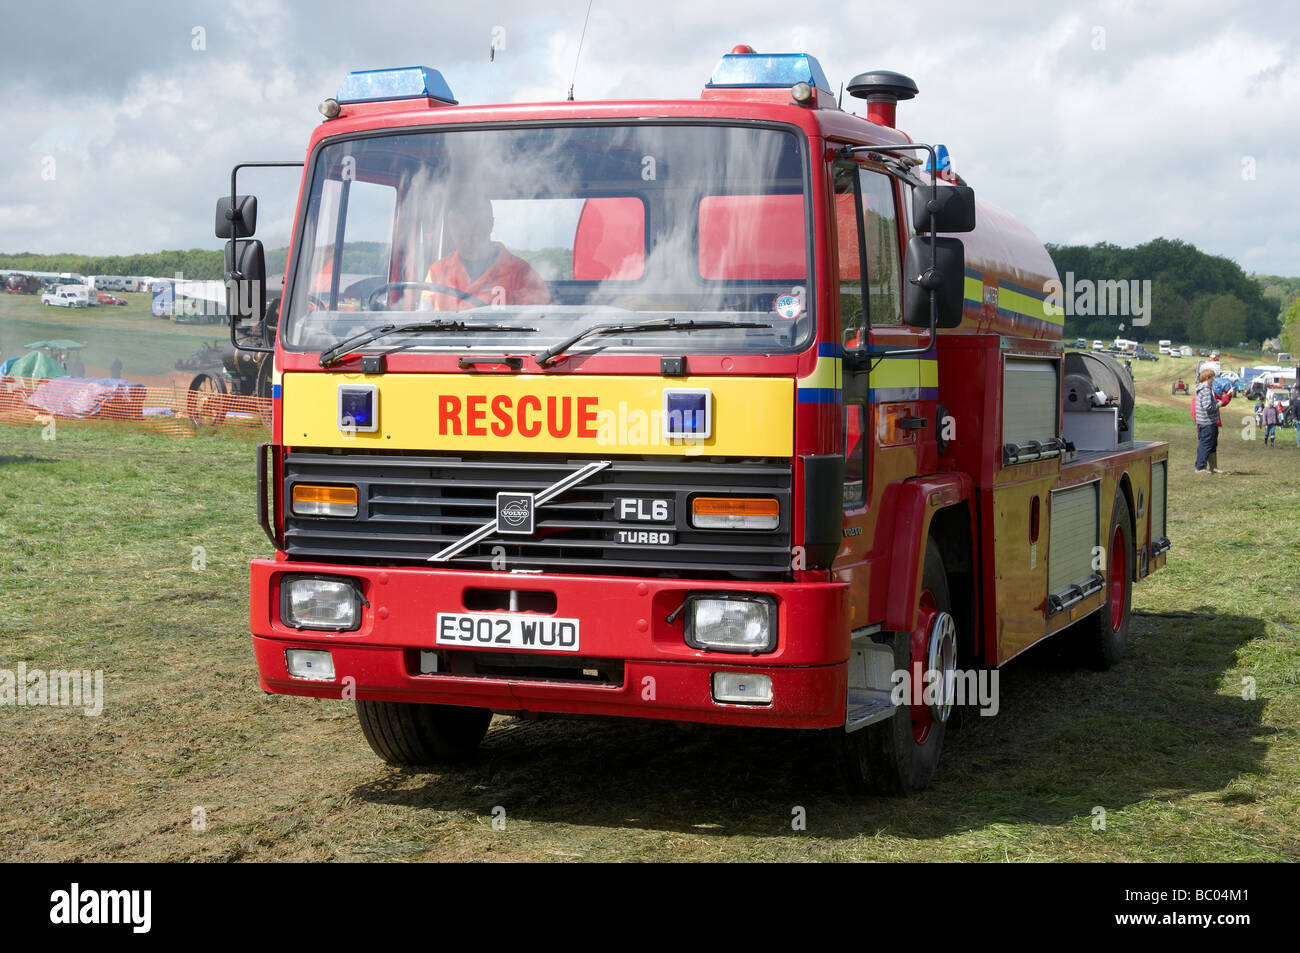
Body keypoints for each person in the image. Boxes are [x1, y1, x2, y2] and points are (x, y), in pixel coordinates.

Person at [420, 195, 551, 311]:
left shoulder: (521, 274)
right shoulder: (437, 272)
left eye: (475, 234)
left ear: (490, 225)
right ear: (451, 229)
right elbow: (422, 318)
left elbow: (542, 324)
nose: (468, 242)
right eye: (461, 236)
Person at [1192, 368, 1231, 473]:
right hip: (1207, 423)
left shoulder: (1204, 389)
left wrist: (1215, 402)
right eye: (1212, 378)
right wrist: (1219, 404)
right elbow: (1208, 407)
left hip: (1206, 422)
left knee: (1212, 445)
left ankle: (1213, 467)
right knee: (1205, 445)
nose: (1213, 380)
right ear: (1207, 378)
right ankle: (1200, 468)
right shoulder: (1205, 390)